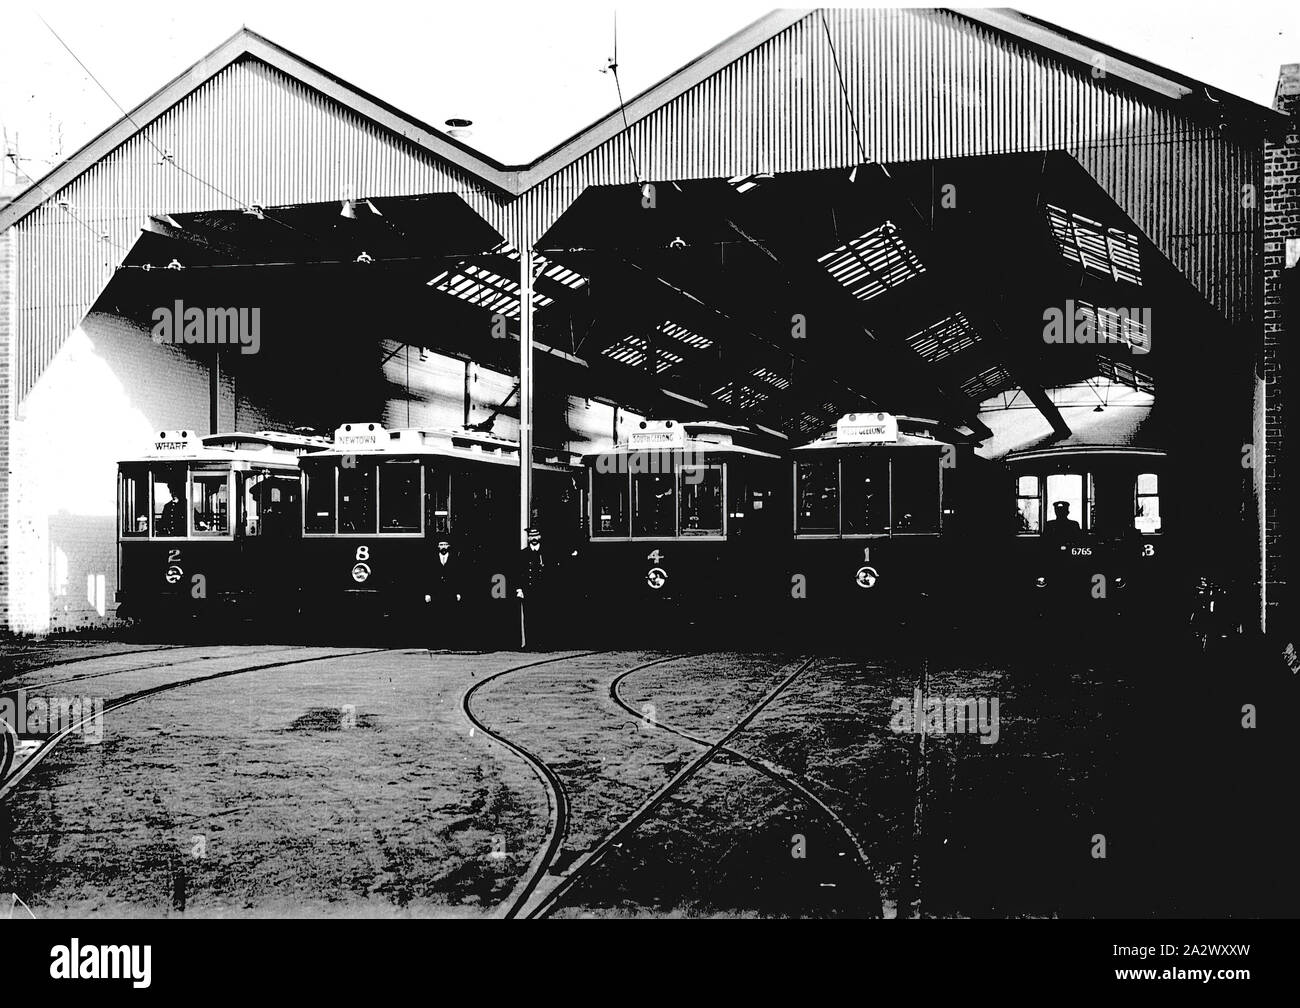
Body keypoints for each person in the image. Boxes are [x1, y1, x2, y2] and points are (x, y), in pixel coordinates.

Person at [516, 527, 554, 650]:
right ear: (528, 538)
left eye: (536, 536)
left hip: (544, 591)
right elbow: (518, 573)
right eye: (531, 536)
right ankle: (530, 644)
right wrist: (519, 589)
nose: (534, 538)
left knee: (543, 616)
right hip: (528, 590)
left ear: (540, 537)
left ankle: (543, 644)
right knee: (529, 617)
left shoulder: (546, 553)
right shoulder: (523, 554)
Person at [424, 537, 466, 647]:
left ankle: (450, 642)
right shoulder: (431, 559)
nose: (443, 547)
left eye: (445, 544)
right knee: (436, 617)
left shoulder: (455, 559)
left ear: (449, 546)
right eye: (441, 544)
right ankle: (436, 642)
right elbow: (427, 577)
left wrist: (458, 592)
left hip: (450, 592)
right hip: (436, 593)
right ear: (438, 547)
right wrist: (428, 593)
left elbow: (459, 577)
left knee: (450, 616)